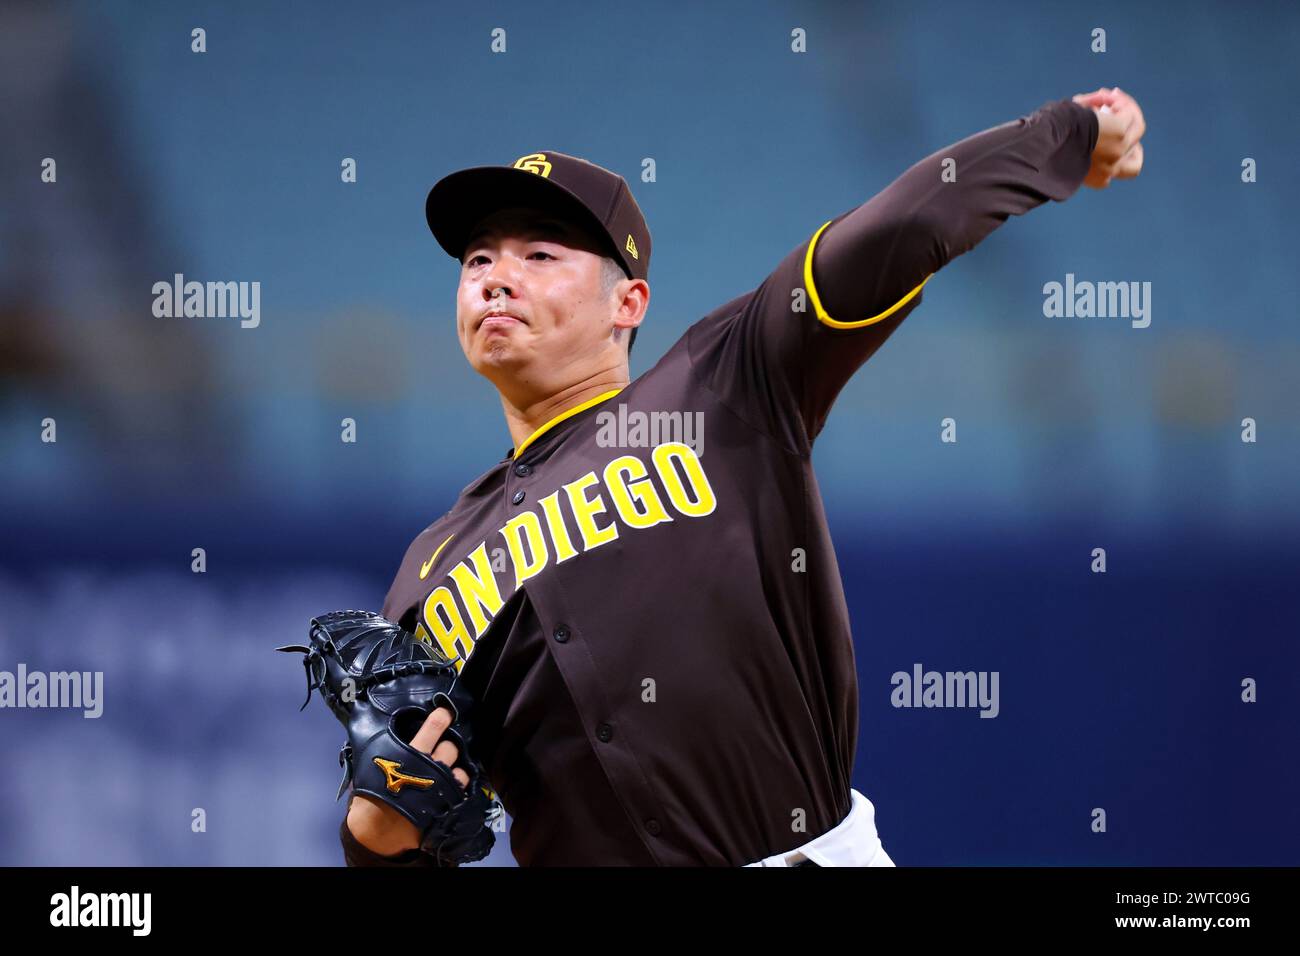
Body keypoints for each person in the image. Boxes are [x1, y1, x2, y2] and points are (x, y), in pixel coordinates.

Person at [339, 87, 1146, 866]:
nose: (495, 276)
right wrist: (370, 842)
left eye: (540, 254)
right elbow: (411, 830)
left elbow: (906, 222)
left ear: (630, 303)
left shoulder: (723, 381)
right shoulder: (427, 571)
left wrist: (1066, 135)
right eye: (478, 258)